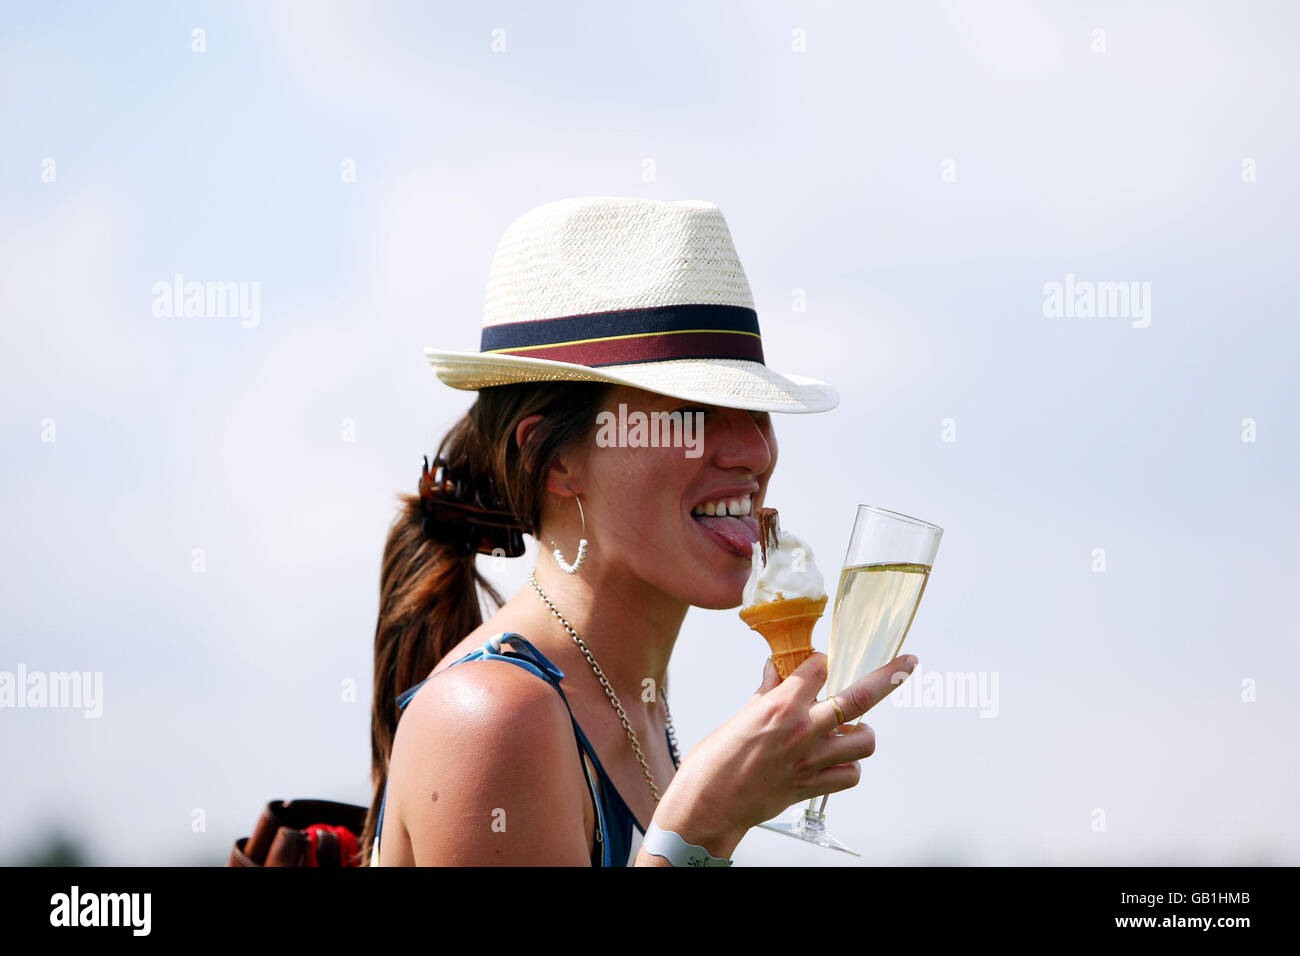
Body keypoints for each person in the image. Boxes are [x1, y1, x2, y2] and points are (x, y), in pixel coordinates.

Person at [362, 197, 917, 866]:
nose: (752, 452)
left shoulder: (635, 710)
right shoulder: (494, 718)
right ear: (557, 459)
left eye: (755, 409)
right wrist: (703, 829)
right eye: (692, 412)